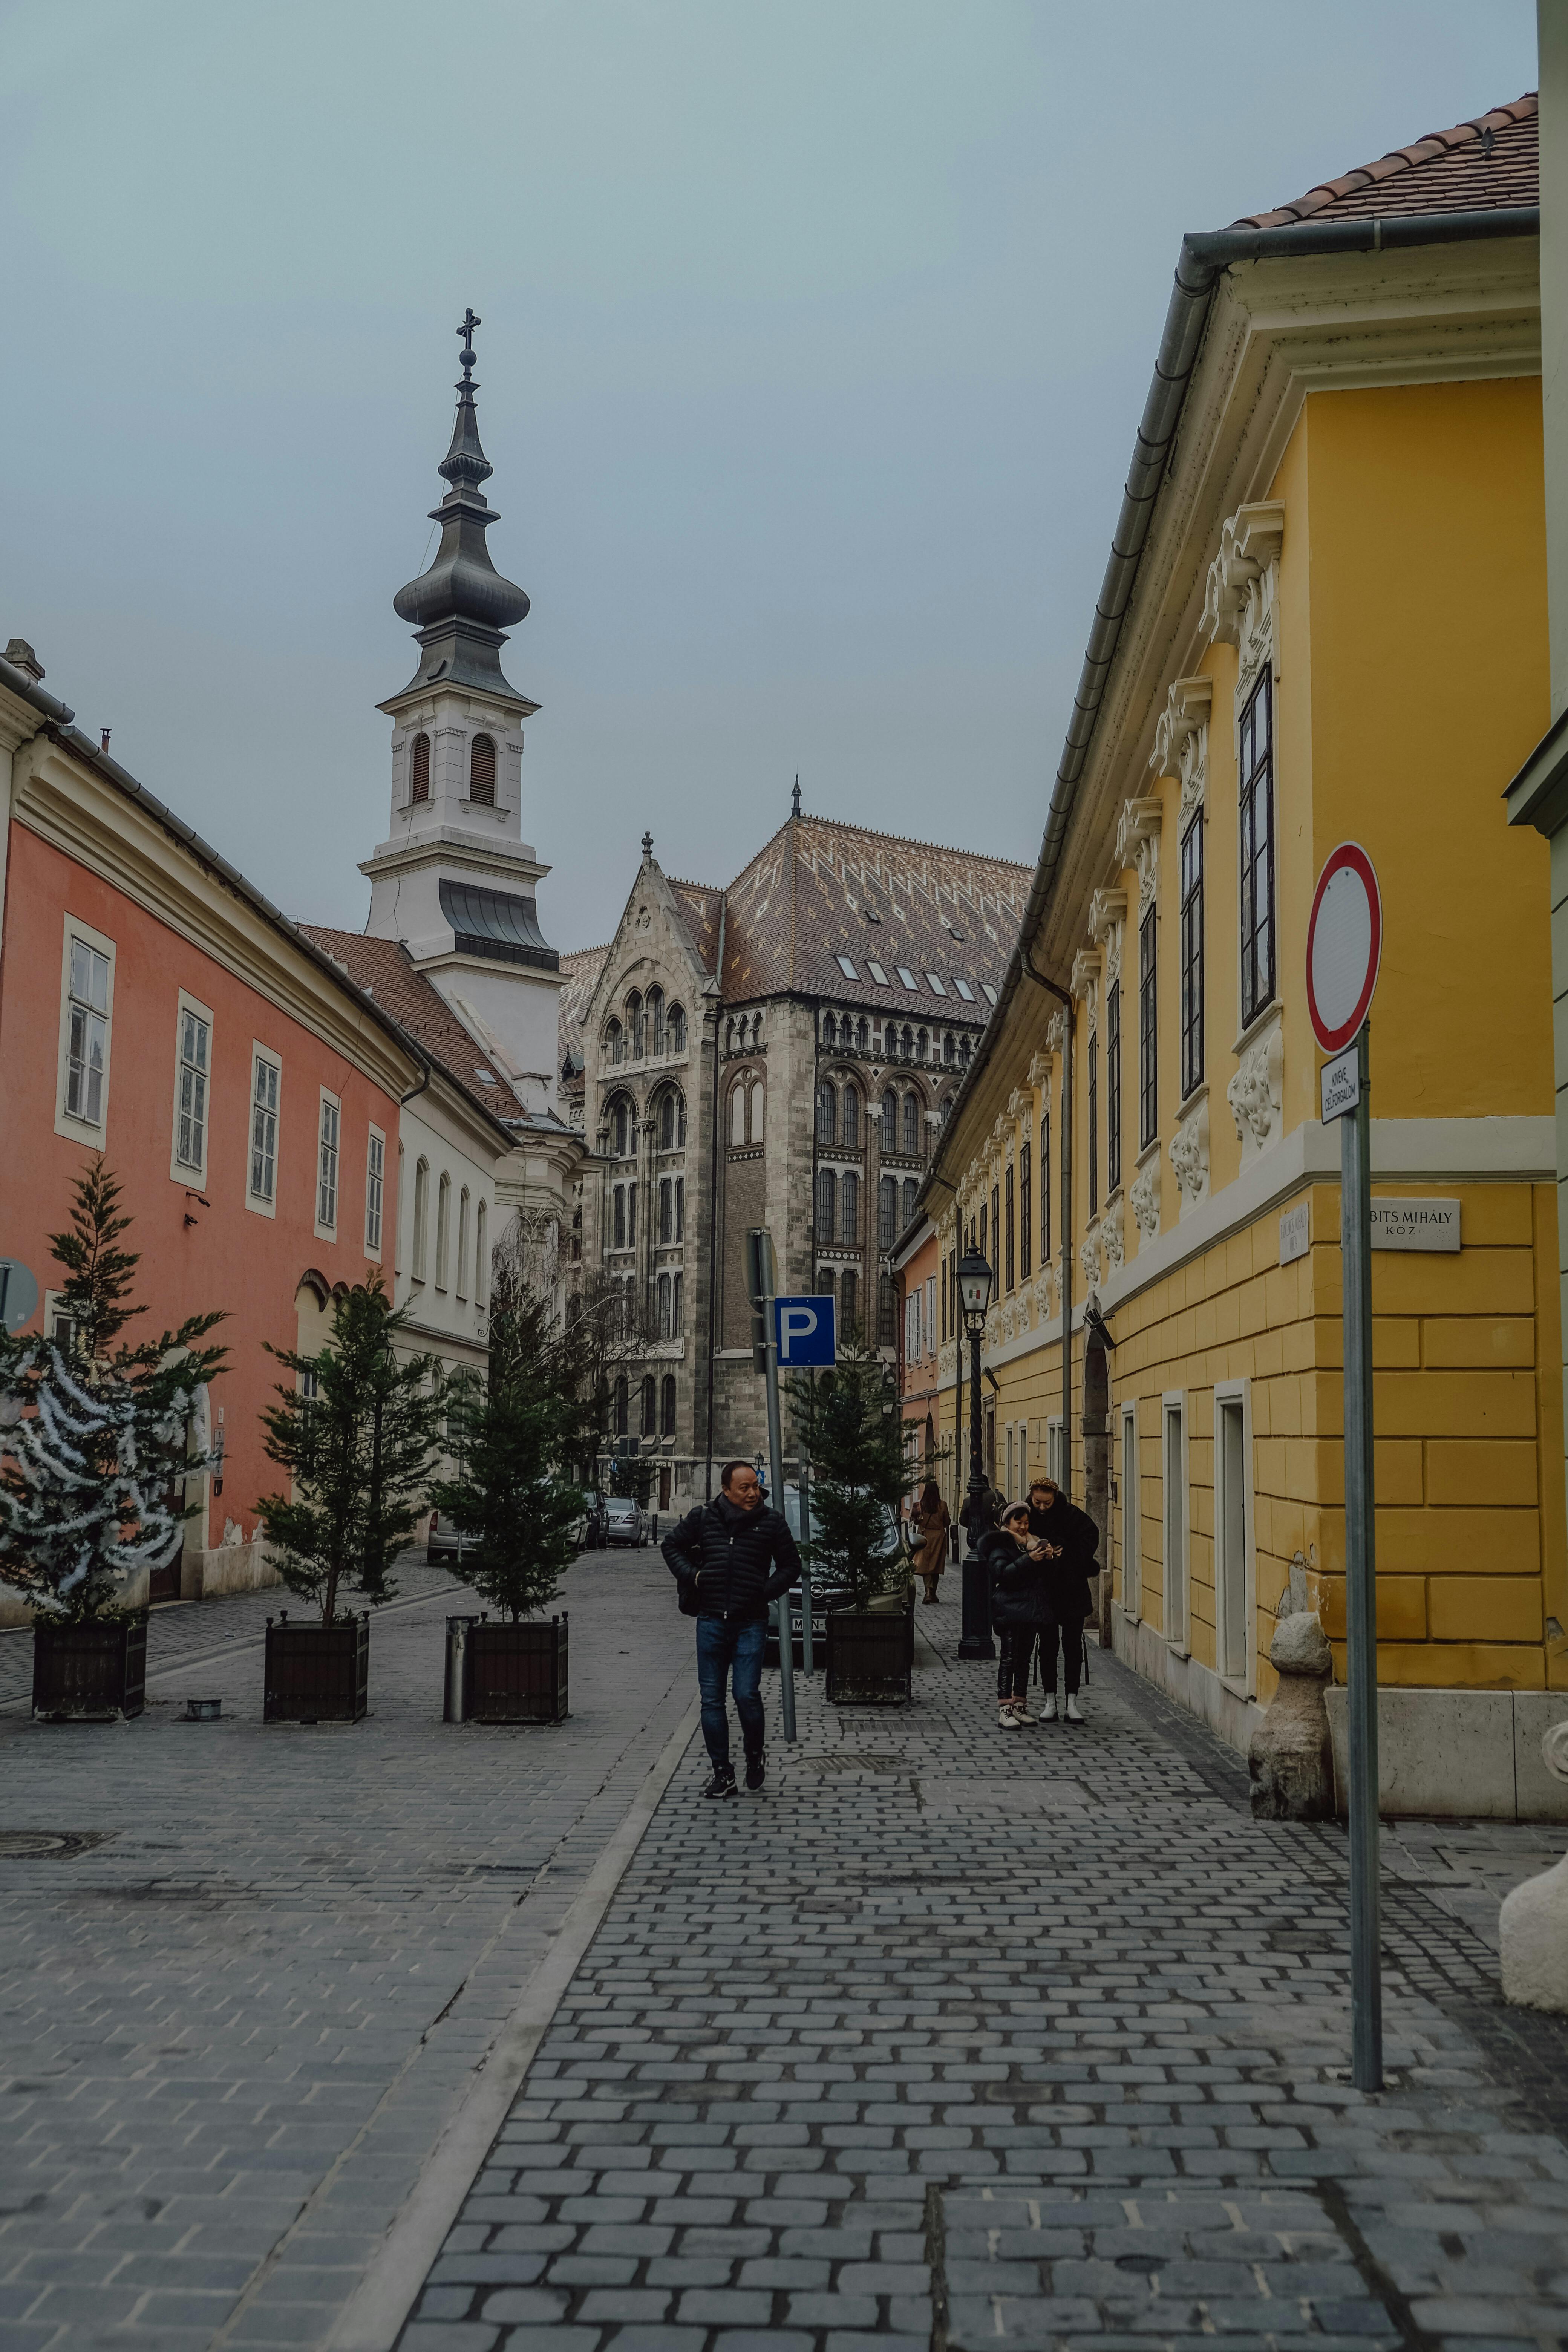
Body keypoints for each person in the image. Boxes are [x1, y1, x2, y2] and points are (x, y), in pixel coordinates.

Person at [663, 1458, 802, 1798]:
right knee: (712, 1700)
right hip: (710, 1620)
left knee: (745, 1694)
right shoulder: (703, 1517)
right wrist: (693, 1576)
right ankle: (723, 1774)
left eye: (755, 1486)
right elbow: (671, 1546)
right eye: (745, 1488)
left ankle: (754, 1756)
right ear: (726, 1490)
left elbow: (791, 1566)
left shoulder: (771, 1522)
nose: (753, 1493)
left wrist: (763, 1592)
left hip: (750, 1623)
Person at [1026, 1475, 1099, 1723]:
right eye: (1038, 1502)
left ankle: (1072, 1701)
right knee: (1047, 1647)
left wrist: (1065, 1552)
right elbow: (1013, 1536)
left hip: (1071, 1591)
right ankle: (1050, 1701)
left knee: (1073, 1647)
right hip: (1043, 1591)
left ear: (1055, 1498)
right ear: (1032, 1497)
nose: (1042, 1507)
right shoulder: (1027, 1515)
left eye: (1046, 1503)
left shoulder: (1071, 1515)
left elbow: (1090, 1537)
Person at [980, 1499, 1051, 1729]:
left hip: (1030, 1609)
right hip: (1009, 1609)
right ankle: (1005, 1708)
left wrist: (1049, 1558)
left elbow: (1043, 1577)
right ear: (1007, 1523)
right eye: (1018, 1522)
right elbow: (1002, 1574)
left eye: (1026, 1523)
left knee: (1024, 1659)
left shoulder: (1032, 1544)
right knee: (1009, 1658)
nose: (1023, 1527)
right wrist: (1028, 1560)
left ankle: (1020, 1705)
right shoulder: (1000, 1545)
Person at [910, 1479, 951, 1605]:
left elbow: (916, 1521)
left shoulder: (921, 1505)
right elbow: (947, 1522)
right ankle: (932, 1593)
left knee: (926, 1565)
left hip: (925, 1536)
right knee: (936, 1565)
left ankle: (928, 1592)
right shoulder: (943, 1505)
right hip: (938, 1537)